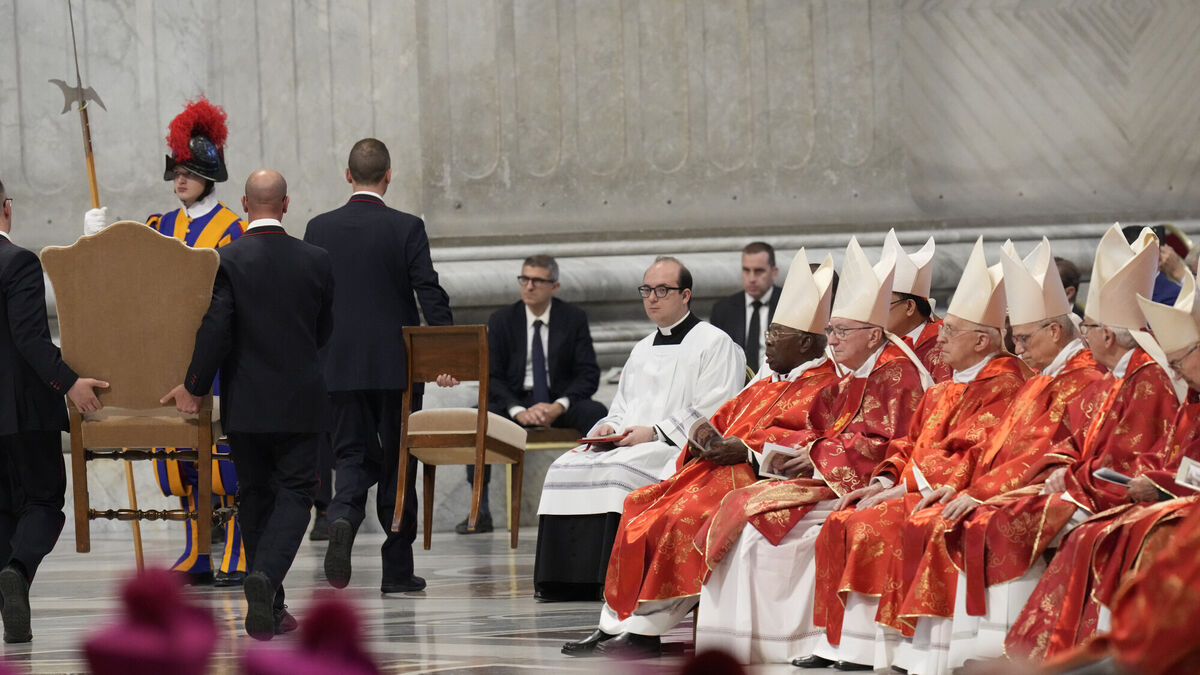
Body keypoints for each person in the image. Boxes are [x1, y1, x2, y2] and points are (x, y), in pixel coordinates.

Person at [560, 251, 842, 658]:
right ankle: (612, 621)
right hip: (711, 468)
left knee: (680, 518)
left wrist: (745, 448)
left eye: (775, 335)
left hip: (753, 476)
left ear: (804, 342)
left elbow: (816, 442)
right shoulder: (767, 382)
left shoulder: (826, 386)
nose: (765, 343)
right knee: (640, 503)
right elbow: (724, 414)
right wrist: (702, 435)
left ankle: (646, 627)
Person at [871, 237, 1107, 674]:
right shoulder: (1042, 378)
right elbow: (999, 445)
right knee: (943, 516)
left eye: (1023, 337)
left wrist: (979, 493)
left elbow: (1044, 453)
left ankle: (995, 650)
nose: (1017, 348)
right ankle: (934, 654)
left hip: (1058, 490)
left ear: (1055, 331)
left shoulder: (1083, 380)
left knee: (964, 520)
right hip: (1013, 486)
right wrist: (960, 486)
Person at [797, 238, 1032, 672]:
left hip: (943, 493)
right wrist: (884, 481)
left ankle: (887, 650)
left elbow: (973, 451)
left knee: (869, 524)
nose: (938, 337)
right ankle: (848, 646)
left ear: (982, 341)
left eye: (951, 331)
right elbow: (907, 442)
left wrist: (900, 490)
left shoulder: (1004, 385)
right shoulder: (945, 386)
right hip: (913, 488)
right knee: (841, 519)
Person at [694, 238, 929, 664]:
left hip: (866, 484)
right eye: (831, 330)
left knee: (762, 536)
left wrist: (821, 455)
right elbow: (821, 428)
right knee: (743, 514)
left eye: (840, 331)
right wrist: (806, 451)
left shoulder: (899, 373)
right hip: (832, 475)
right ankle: (734, 642)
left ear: (873, 333)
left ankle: (790, 641)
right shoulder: (857, 370)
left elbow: (897, 441)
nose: (831, 340)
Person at [162, 169, 334, 640]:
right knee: (297, 492)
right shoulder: (317, 260)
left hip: (247, 402)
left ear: (243, 203)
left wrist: (193, 386)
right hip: (300, 400)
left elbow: (215, 329)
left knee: (255, 495)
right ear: (286, 204)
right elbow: (324, 330)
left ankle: (271, 608)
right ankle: (265, 581)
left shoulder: (226, 260)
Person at [87, 97, 248, 585]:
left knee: (224, 461)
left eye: (189, 172)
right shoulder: (158, 226)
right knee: (179, 460)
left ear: (209, 174)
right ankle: (196, 549)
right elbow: (127, 278)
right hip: (166, 358)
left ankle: (237, 549)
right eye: (176, 171)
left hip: (215, 356)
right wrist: (98, 240)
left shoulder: (232, 230)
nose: (179, 180)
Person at [534, 256, 744, 601]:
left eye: (662, 290)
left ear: (686, 294)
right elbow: (621, 406)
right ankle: (562, 581)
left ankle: (604, 576)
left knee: (617, 470)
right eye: (646, 289)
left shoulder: (714, 343)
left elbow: (716, 408)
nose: (652, 297)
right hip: (632, 442)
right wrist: (608, 428)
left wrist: (656, 432)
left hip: (674, 447)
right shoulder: (641, 349)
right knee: (565, 466)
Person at [303, 138, 453, 595]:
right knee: (399, 461)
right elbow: (428, 291)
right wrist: (446, 355)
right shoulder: (407, 226)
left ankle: (343, 514)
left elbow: (311, 299)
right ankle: (397, 568)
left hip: (337, 366)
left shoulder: (318, 228)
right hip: (398, 365)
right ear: (389, 175)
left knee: (351, 453)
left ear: (348, 176)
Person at [0, 177, 107, 642]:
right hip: (23, 411)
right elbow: (30, 339)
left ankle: (10, 589)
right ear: (6, 207)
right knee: (43, 501)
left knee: (3, 510)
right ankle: (18, 573)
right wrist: (70, 384)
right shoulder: (18, 262)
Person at [456, 254, 607, 534]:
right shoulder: (502, 320)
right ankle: (480, 509)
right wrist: (517, 410)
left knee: (597, 413)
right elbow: (491, 376)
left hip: (557, 400)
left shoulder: (573, 319)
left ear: (555, 286)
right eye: (524, 279)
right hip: (517, 401)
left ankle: (598, 502)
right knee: (478, 416)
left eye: (537, 281)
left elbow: (588, 373)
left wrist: (558, 406)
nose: (529, 286)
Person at [881, 229, 952, 382]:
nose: (874, 314)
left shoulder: (945, 343)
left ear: (909, 307)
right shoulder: (878, 344)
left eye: (883, 304)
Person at [709, 242, 780, 374]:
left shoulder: (787, 303)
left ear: (774, 272)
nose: (751, 278)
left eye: (759, 271)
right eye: (746, 270)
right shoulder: (723, 310)